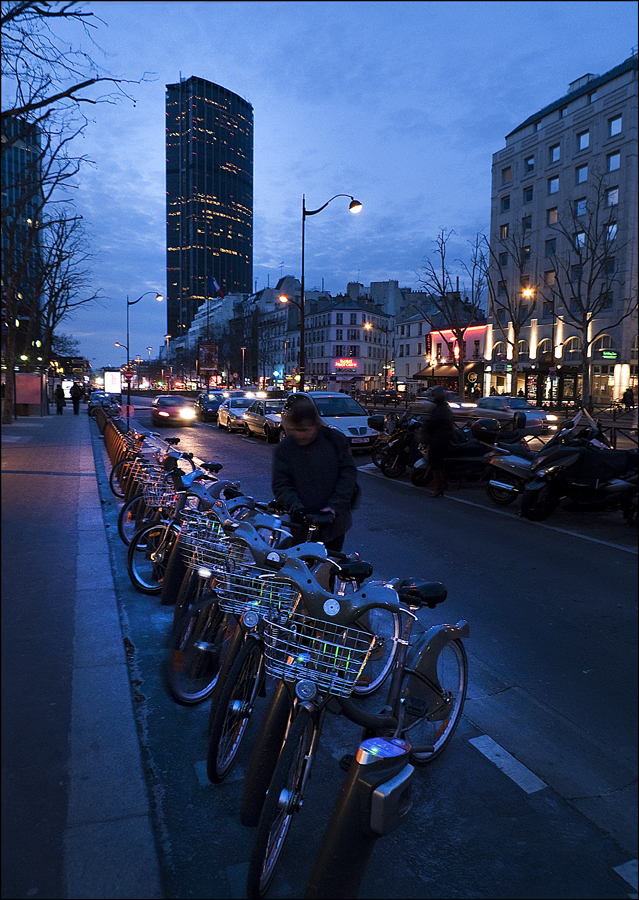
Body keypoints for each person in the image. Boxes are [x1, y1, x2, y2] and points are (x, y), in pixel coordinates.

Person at [272, 394, 358, 552]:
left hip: (333, 522)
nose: (299, 435)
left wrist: (334, 506)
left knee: (328, 565)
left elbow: (348, 475)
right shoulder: (285, 448)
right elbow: (281, 483)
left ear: (316, 425)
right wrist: (297, 509)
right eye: (295, 430)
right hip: (302, 522)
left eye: (305, 430)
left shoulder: (335, 441)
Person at [424, 385, 455, 498]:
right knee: (440, 462)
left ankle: (438, 488)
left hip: (438, 439)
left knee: (435, 461)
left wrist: (426, 427)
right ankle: (441, 486)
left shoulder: (438, 409)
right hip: (444, 438)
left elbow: (432, 423)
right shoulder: (444, 408)